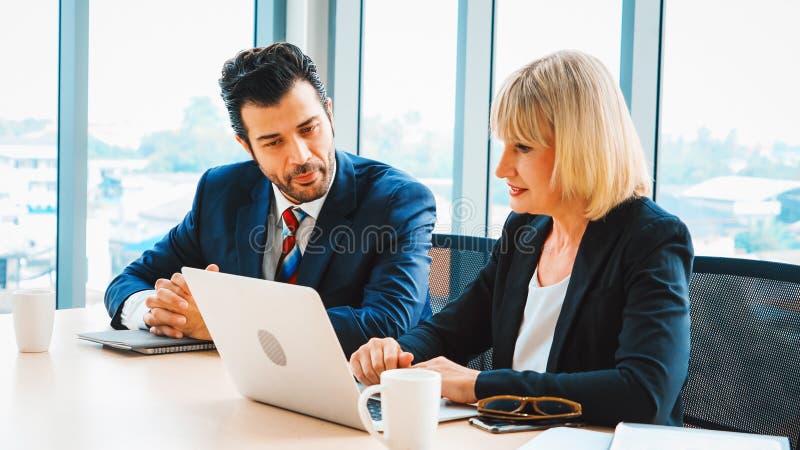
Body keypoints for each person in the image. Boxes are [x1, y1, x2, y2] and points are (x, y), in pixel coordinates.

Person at [349, 50, 693, 426]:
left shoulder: (652, 239)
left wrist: (482, 386)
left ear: (580, 148)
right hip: (512, 436)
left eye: (523, 148)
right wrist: (397, 353)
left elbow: (643, 394)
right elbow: (454, 330)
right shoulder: (524, 230)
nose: (501, 169)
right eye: (504, 145)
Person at [104, 42, 437, 357]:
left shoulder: (398, 201)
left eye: (309, 129)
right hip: (243, 391)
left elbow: (384, 324)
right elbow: (129, 281)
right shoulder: (221, 192)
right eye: (273, 142)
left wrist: (225, 323)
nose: (301, 156)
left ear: (330, 115)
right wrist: (160, 313)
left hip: (364, 400)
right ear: (247, 146)